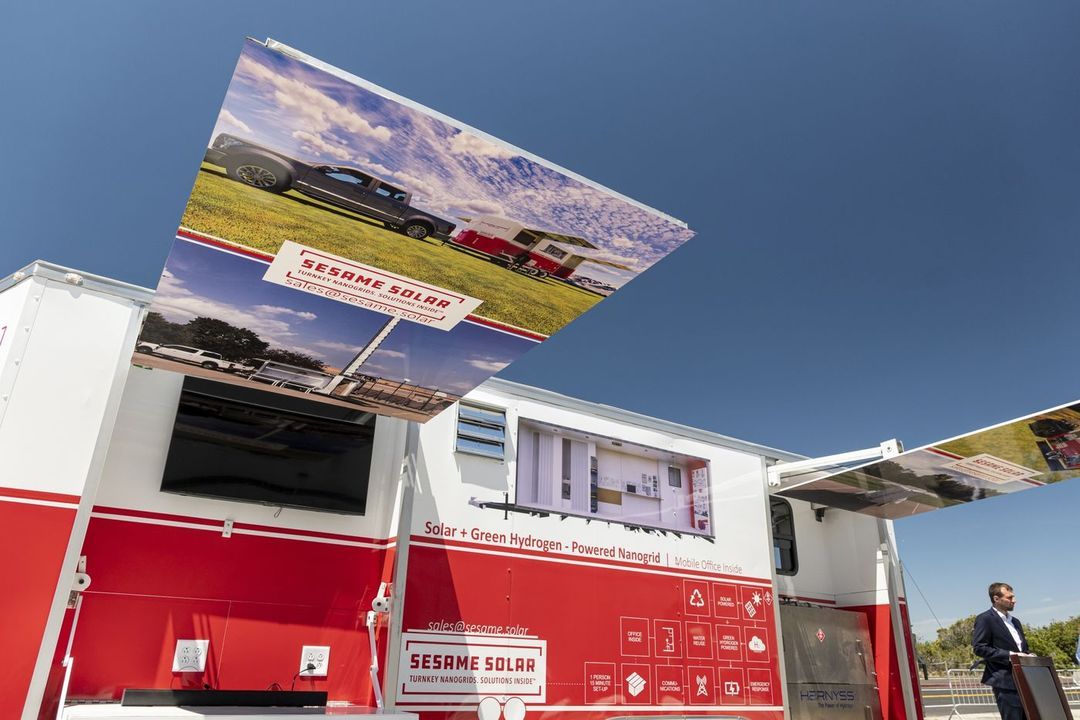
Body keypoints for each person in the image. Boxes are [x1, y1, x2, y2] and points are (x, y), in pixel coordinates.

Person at [972, 582, 1032, 720]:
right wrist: (1010, 655)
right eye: (1009, 597)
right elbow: (980, 648)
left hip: (1024, 680)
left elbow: (1022, 649)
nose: (1014, 600)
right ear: (996, 599)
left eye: (1013, 597)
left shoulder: (1015, 621)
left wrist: (1029, 655)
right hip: (1005, 682)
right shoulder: (985, 619)